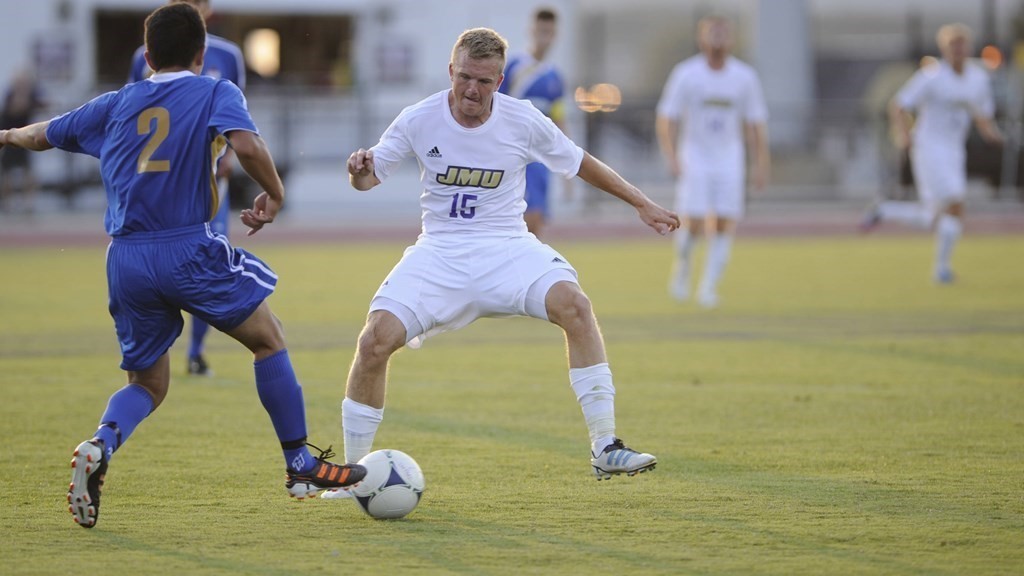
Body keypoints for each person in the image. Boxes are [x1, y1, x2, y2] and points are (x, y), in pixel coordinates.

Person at [0, 3, 364, 529]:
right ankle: (300, 465)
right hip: (188, 247)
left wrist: (6, 135)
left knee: (148, 383)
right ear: (201, 53)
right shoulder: (215, 90)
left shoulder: (116, 102)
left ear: (147, 56)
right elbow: (246, 145)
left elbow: (42, 134)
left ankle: (101, 443)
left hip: (125, 257)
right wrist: (275, 193)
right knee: (268, 339)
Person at [324, 28, 678, 500]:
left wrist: (642, 203)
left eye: (484, 81)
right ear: (451, 71)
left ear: (500, 81)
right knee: (374, 341)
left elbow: (580, 162)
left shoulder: (522, 119)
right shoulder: (418, 118)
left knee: (575, 305)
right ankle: (352, 477)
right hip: (440, 251)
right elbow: (369, 178)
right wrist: (358, 171)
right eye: (464, 77)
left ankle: (605, 446)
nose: (472, 90)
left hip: (507, 246)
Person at [130, 0, 247, 376]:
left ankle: (195, 351)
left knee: (209, 263)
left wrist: (229, 153)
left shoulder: (227, 55)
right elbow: (129, 114)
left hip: (208, 182)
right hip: (159, 187)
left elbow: (240, 115)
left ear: (208, 8)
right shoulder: (144, 56)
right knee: (162, 267)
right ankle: (154, 356)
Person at [860, 23, 1003, 284]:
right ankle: (942, 270)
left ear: (969, 48)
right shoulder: (931, 76)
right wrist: (904, 135)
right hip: (929, 147)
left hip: (954, 150)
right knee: (955, 202)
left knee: (931, 216)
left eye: (962, 45)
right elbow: (899, 105)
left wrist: (995, 136)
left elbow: (982, 116)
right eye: (952, 45)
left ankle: (885, 210)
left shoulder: (978, 79)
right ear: (944, 49)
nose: (958, 50)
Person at [655, 15, 770, 308]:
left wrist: (760, 164)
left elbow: (756, 123)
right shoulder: (686, 73)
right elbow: (667, 116)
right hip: (695, 156)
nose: (718, 38)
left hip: (730, 157)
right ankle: (683, 267)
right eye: (712, 33)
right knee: (692, 221)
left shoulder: (744, 77)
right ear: (701, 38)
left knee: (723, 221)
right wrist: (671, 155)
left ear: (732, 39)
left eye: (723, 33)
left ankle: (708, 287)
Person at [497, 7, 568, 239]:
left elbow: (558, 118)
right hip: (517, 153)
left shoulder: (554, 76)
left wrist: (566, 164)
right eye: (540, 31)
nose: (544, 38)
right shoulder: (515, 66)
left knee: (538, 222)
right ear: (531, 31)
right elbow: (495, 105)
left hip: (541, 157)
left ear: (555, 35)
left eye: (549, 32)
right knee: (525, 219)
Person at [0, 70, 46, 214]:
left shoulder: (31, 95)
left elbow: (41, 105)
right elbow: (14, 109)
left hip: (24, 139)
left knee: (28, 173)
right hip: (10, 137)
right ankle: (7, 204)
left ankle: (28, 204)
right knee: (7, 174)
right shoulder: (10, 95)